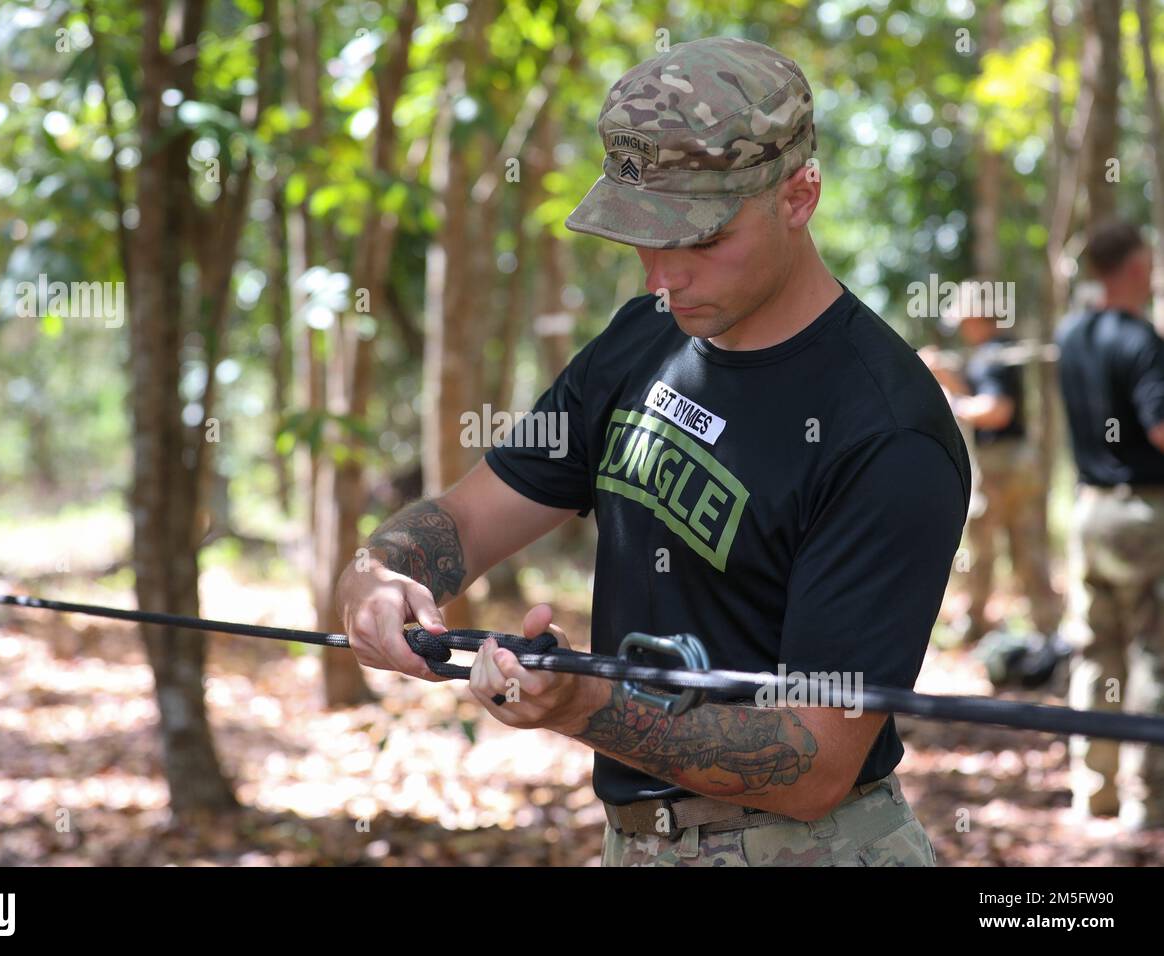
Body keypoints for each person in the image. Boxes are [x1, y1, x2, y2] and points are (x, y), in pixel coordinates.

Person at [335, 36, 969, 866]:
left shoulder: (887, 432)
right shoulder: (643, 339)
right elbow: (468, 516)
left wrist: (583, 706)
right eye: (643, 236)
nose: (662, 276)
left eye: (701, 239)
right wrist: (383, 574)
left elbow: (813, 762)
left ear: (800, 195)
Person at [1056, 220, 1164, 829]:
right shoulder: (1142, 340)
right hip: (1143, 512)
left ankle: (1092, 795)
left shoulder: (1072, 335)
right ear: (1131, 268)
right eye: (1148, 260)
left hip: (1089, 512)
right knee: (1153, 655)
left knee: (1096, 651)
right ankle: (1146, 803)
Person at [921, 283, 1062, 668]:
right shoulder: (993, 354)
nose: (963, 329)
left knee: (997, 547)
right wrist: (950, 378)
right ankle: (1039, 627)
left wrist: (954, 404)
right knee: (1014, 546)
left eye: (965, 320)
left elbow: (997, 410)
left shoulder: (995, 356)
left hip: (1004, 464)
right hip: (1013, 462)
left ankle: (992, 625)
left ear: (979, 317)